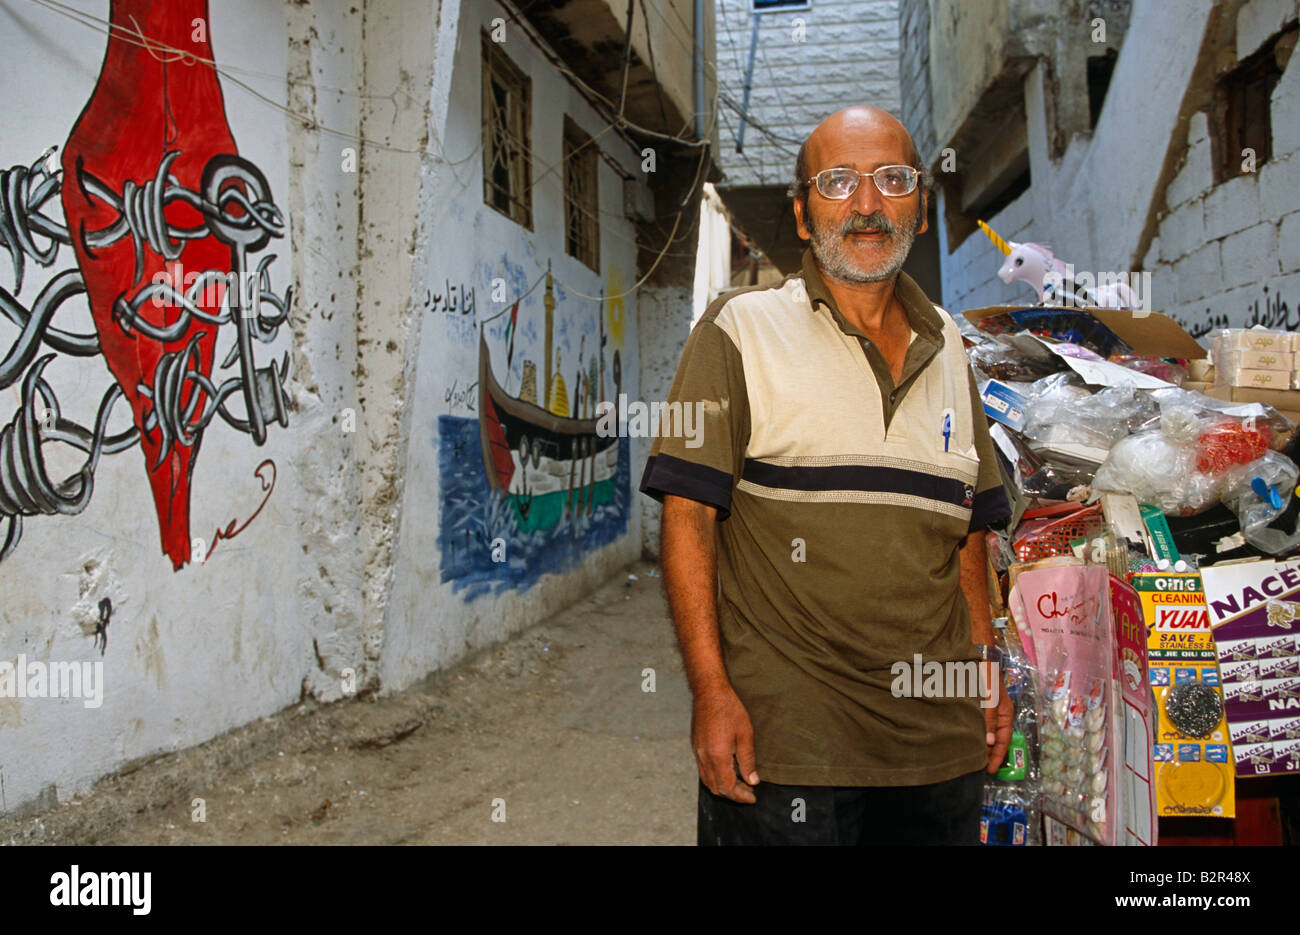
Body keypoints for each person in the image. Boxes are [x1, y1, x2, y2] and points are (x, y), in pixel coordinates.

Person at [639, 106, 1014, 845]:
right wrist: (710, 690)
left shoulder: (952, 353)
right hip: (787, 748)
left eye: (893, 180)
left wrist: (985, 662)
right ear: (805, 217)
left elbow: (968, 529)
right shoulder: (736, 332)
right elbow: (687, 518)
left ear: (921, 205)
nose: (868, 204)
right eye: (839, 182)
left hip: (938, 746)